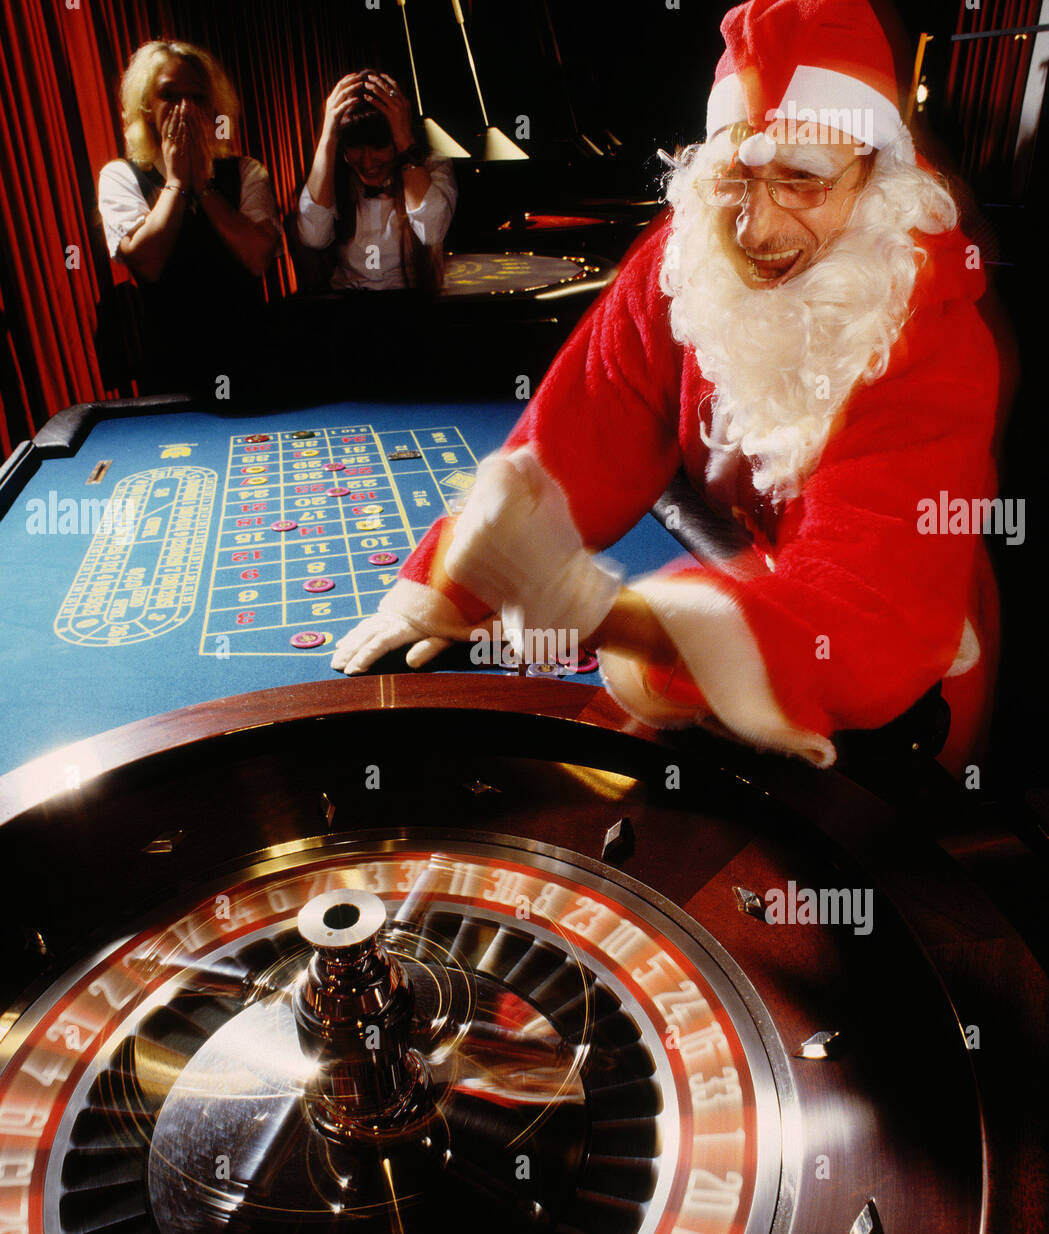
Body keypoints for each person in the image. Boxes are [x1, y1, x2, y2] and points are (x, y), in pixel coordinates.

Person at [330, 0, 1004, 778]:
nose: (755, 232)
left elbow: (862, 619)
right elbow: (579, 430)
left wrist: (602, 614)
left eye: (802, 180)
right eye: (735, 179)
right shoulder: (687, 256)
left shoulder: (932, 335)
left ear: (876, 175)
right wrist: (448, 587)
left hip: (897, 683)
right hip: (748, 590)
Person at [97, 40, 281, 392]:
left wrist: (205, 189)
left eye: (196, 96)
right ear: (146, 106)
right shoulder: (120, 176)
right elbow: (148, 263)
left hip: (251, 358)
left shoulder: (246, 171)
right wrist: (178, 183)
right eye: (169, 95)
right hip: (171, 371)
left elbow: (258, 259)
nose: (185, 108)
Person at [296, 70, 456, 293]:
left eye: (379, 146)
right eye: (355, 146)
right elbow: (314, 237)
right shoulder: (334, 177)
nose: (367, 161)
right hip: (345, 304)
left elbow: (431, 231)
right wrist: (329, 135)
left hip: (413, 304)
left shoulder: (432, 167)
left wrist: (404, 140)